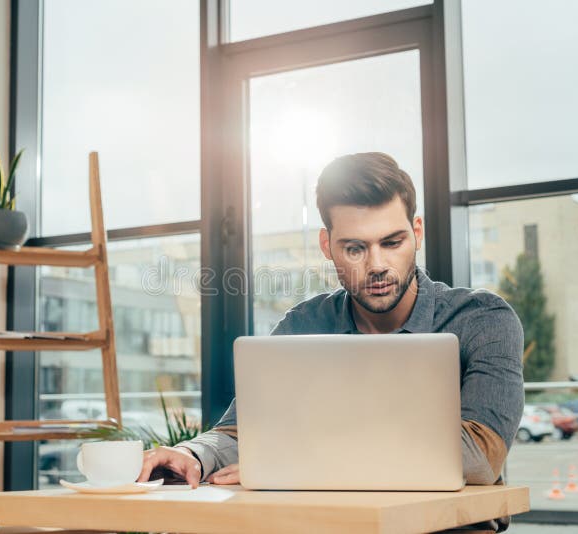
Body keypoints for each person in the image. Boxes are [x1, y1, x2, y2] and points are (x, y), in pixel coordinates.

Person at [139, 153, 524, 528]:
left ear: (417, 233)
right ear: (327, 246)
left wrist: (295, 460)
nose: (376, 265)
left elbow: (479, 457)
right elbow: (242, 432)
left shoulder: (483, 320)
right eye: (355, 248)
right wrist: (190, 453)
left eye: (392, 242)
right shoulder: (305, 324)